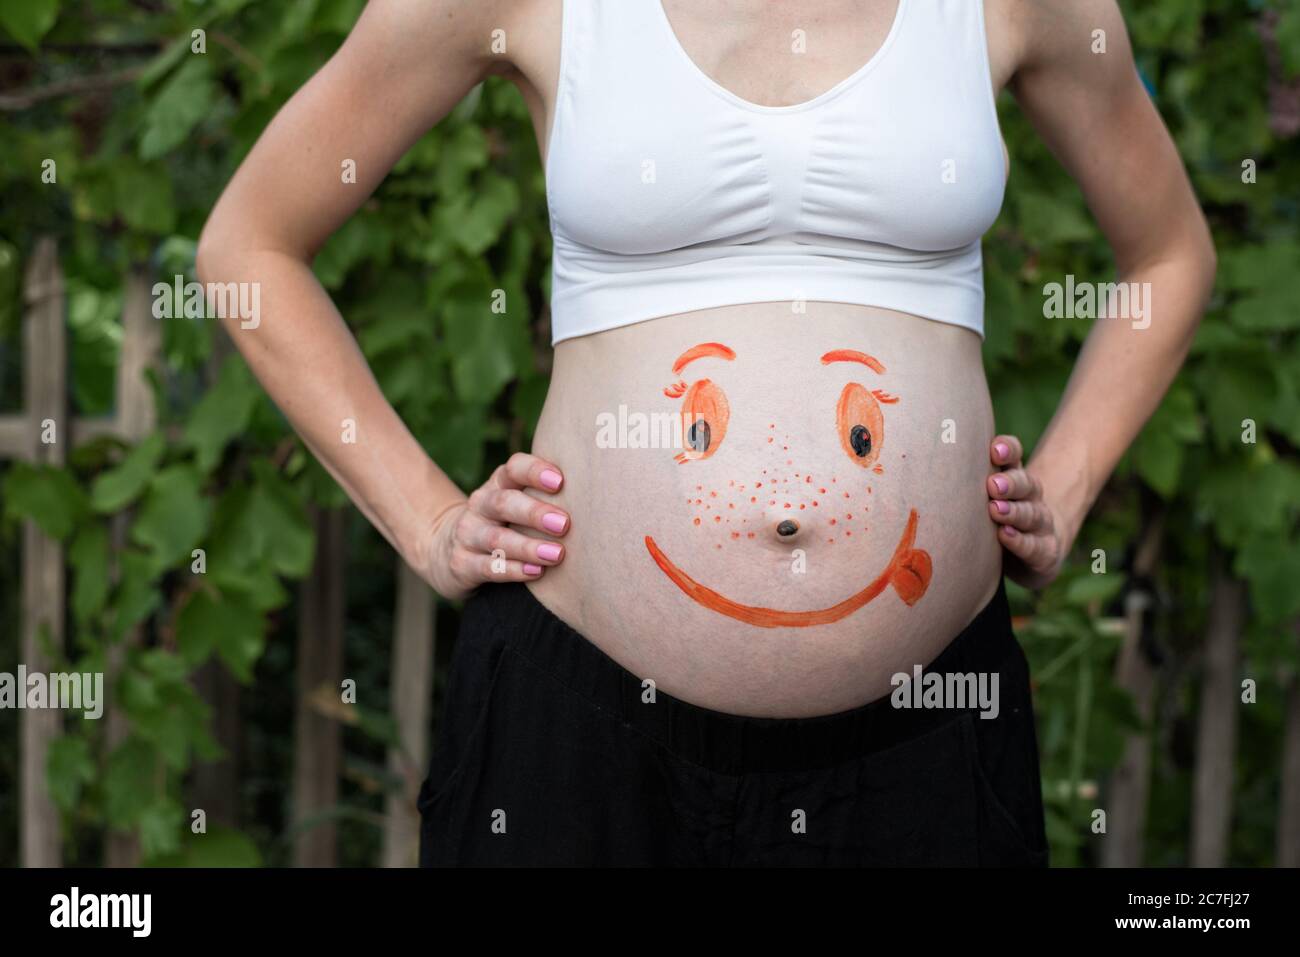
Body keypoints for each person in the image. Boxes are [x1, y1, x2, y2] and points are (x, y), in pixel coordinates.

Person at [197, 0, 1215, 866]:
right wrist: (426, 523)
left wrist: (1066, 487)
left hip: (927, 735)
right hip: (583, 737)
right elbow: (252, 247)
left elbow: (1169, 256)